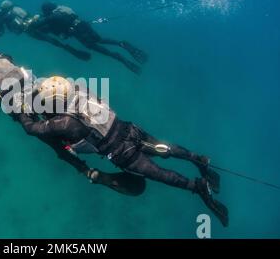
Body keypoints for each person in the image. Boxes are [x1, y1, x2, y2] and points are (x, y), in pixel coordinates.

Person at [0, 37, 146, 197]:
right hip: (38, 92)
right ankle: (114, 144)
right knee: (72, 120)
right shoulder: (4, 55)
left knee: (52, 140)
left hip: (20, 109)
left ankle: (87, 171)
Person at [16, 76, 229, 227]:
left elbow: (31, 129)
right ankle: (198, 160)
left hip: (119, 151)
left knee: (158, 173)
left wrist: (23, 109)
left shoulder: (64, 123)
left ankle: (198, 187)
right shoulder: (78, 88)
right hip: (128, 128)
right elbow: (52, 85)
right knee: (165, 149)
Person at [28, 2, 148, 75]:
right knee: (99, 39)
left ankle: (117, 57)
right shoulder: (61, 10)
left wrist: (33, 21)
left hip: (79, 33)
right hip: (84, 25)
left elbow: (38, 25)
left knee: (93, 46)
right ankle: (120, 43)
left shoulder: (53, 16)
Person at [0, 0, 92, 61]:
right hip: (35, 22)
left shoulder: (6, 15)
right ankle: (70, 37)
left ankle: (71, 49)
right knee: (50, 35)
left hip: (29, 29)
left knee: (49, 40)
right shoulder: (16, 8)